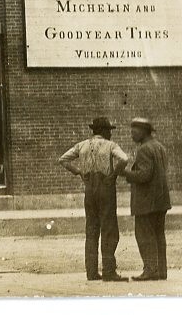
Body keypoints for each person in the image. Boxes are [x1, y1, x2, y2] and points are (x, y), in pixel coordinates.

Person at [59, 116, 129, 281]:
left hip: (89, 189)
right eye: (109, 131)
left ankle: (91, 272)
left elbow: (63, 159)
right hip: (105, 188)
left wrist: (78, 172)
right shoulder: (110, 145)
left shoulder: (82, 145)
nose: (110, 134)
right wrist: (113, 175)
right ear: (104, 131)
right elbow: (124, 159)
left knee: (91, 230)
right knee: (109, 229)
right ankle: (109, 271)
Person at [120, 117, 171, 281]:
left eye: (134, 131)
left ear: (143, 132)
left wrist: (124, 173)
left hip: (146, 201)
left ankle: (150, 271)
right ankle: (160, 271)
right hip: (161, 200)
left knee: (144, 235)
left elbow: (144, 175)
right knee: (158, 236)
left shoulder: (144, 150)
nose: (131, 135)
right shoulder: (159, 147)